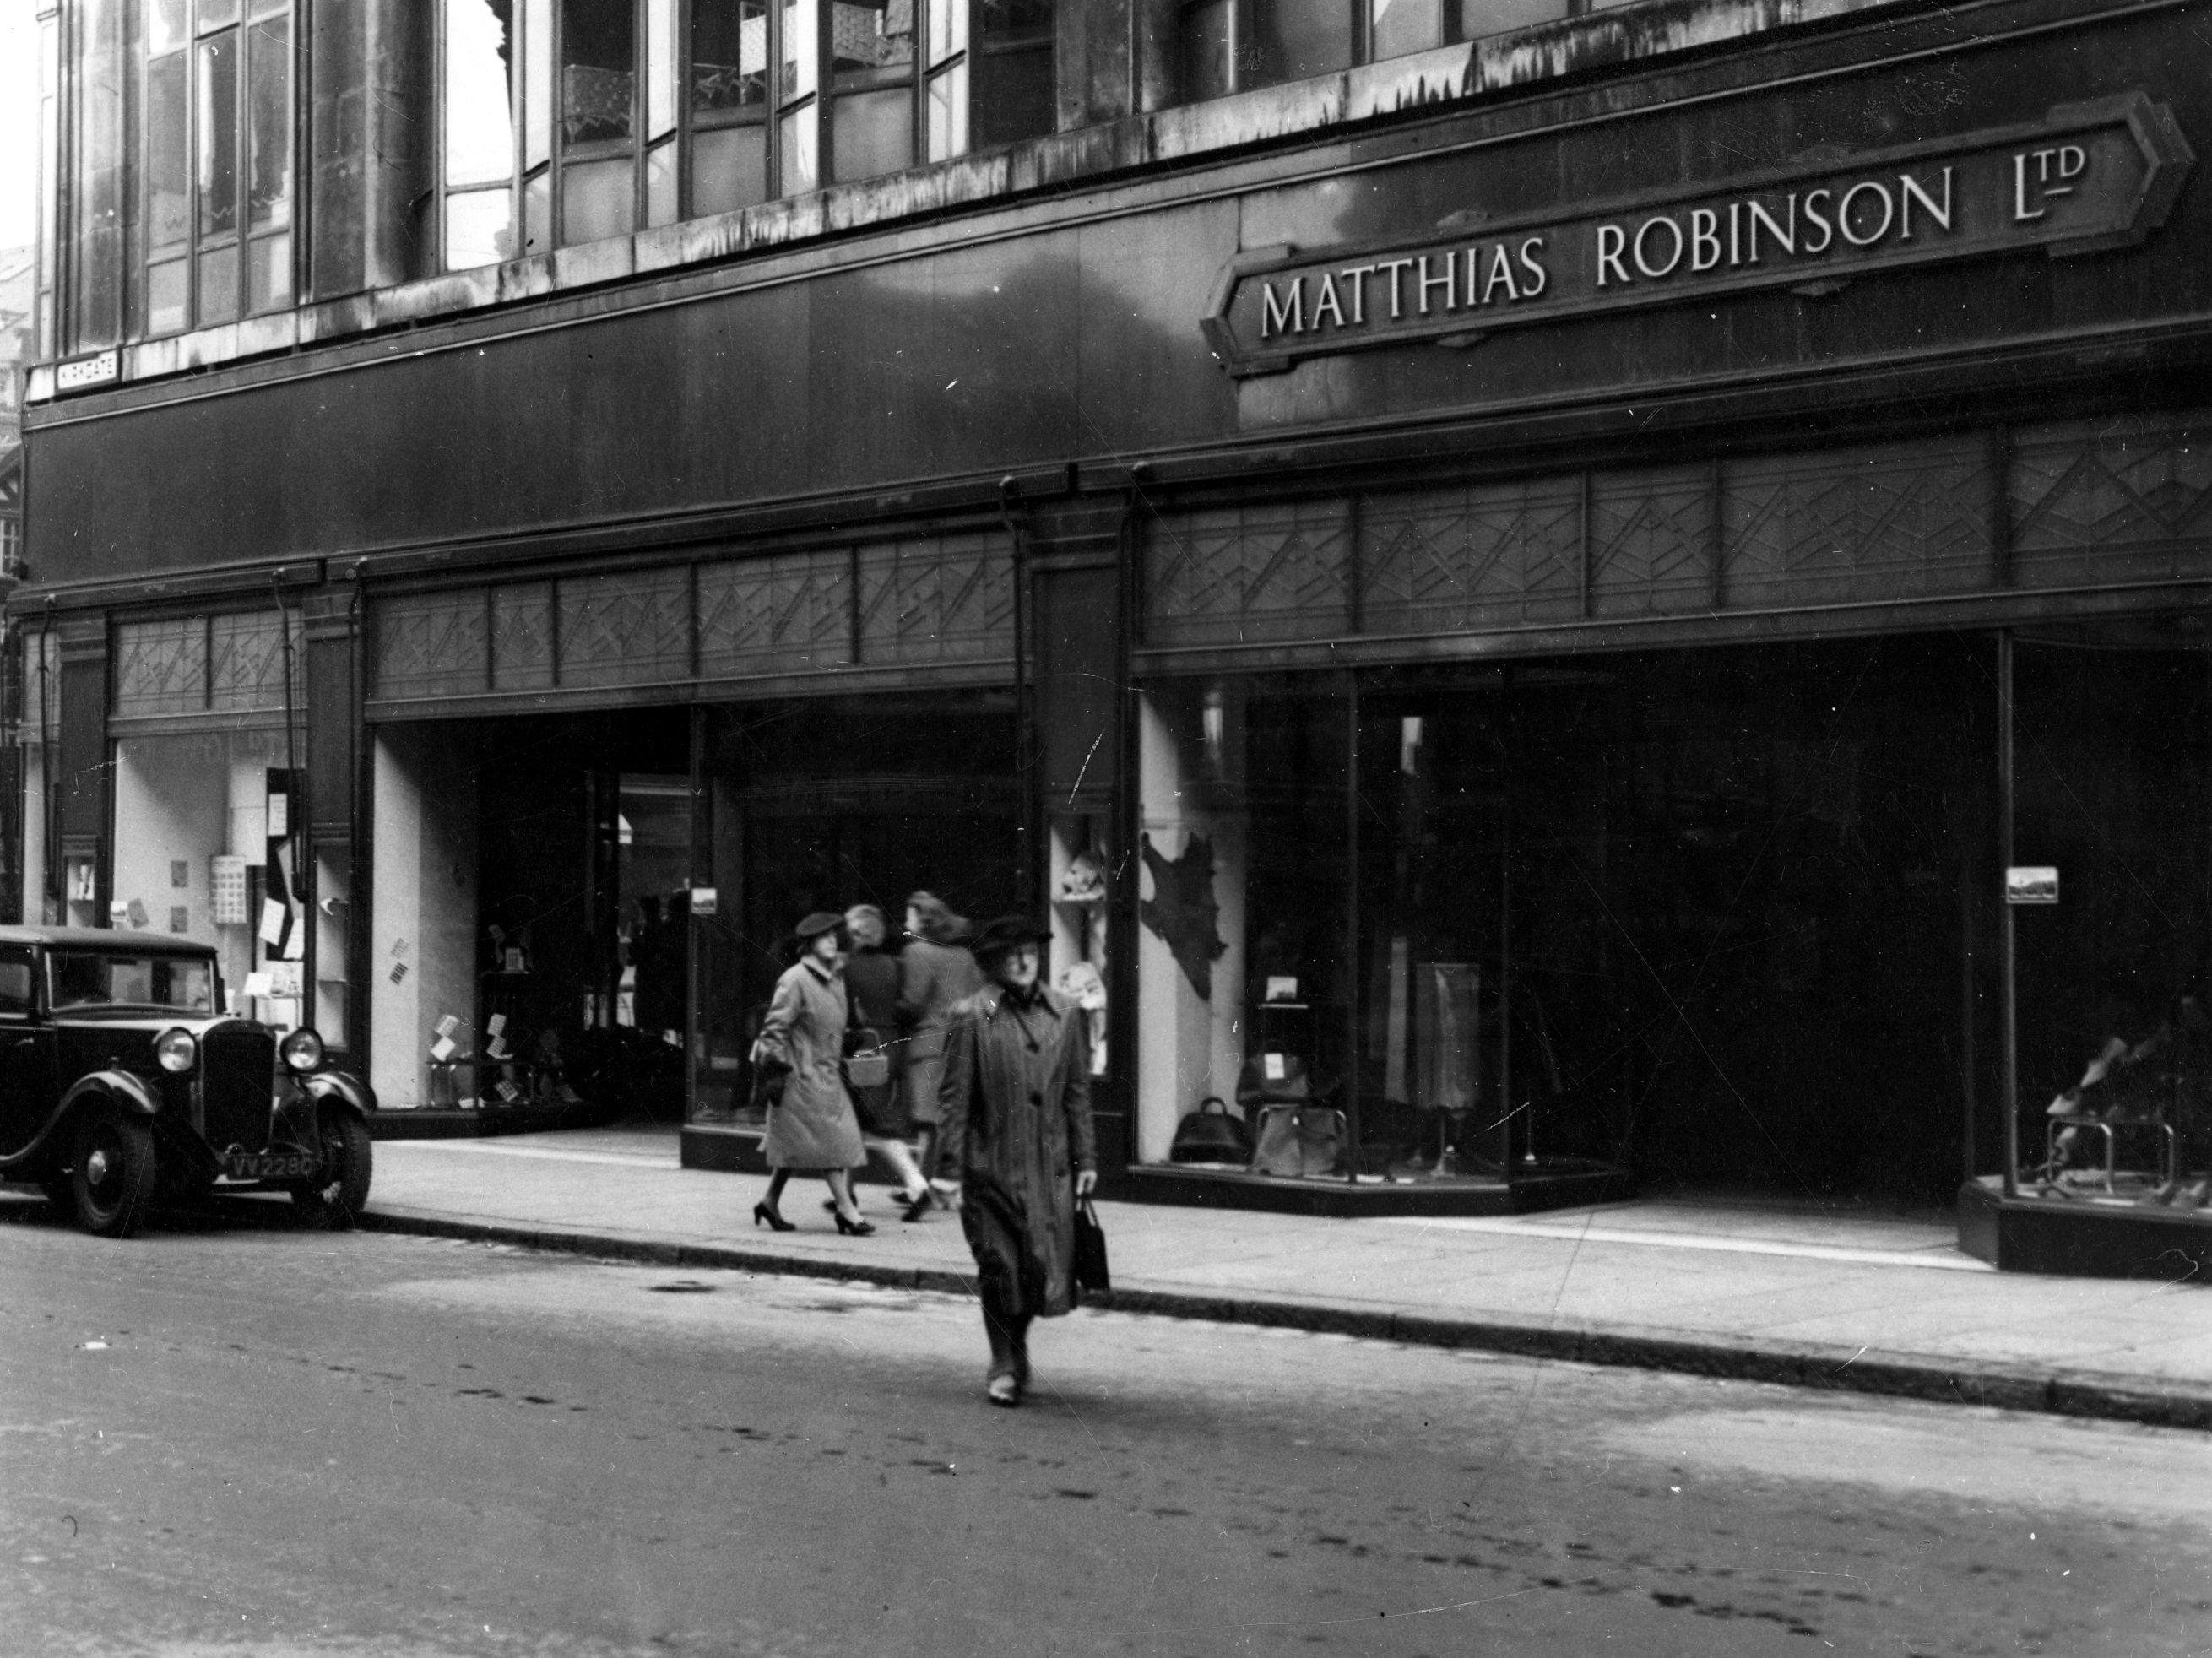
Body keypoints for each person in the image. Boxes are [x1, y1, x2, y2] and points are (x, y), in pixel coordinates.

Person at [930, 916, 1097, 1407]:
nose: (1025, 961)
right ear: (991, 964)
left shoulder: (1065, 1012)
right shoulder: (970, 1016)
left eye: (1031, 951)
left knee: (1037, 1268)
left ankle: (1016, 1342)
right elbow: (955, 1099)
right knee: (999, 1266)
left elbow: (1077, 1092)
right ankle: (1002, 1359)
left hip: (1050, 1169)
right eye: (1012, 954)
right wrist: (948, 1170)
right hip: (991, 1166)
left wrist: (1086, 1155)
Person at [751, 912, 872, 1235]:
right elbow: (774, 1029)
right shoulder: (795, 979)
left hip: (827, 1072)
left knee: (800, 1145)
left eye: (835, 935)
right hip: (800, 1076)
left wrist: (850, 1039)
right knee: (830, 1143)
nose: (833, 941)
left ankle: (769, 1202)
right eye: (825, 937)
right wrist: (775, 1070)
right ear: (808, 945)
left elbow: (833, 1024)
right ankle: (847, 1211)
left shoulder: (835, 978)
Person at [843, 903, 933, 1220]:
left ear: (856, 933)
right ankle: (845, 1192)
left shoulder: (847, 968)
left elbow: (847, 1011)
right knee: (859, 1119)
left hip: (864, 1047)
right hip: (892, 1046)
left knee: (875, 1124)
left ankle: (916, 1184)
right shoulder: (895, 965)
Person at [898, 891, 984, 1185]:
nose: (904, 920)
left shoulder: (917, 952)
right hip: (962, 1041)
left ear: (923, 920)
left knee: (926, 1118)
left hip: (927, 1042)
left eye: (909, 915)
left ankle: (921, 1183)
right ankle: (933, 1178)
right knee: (946, 1113)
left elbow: (912, 1000)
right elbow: (978, 995)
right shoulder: (965, 956)